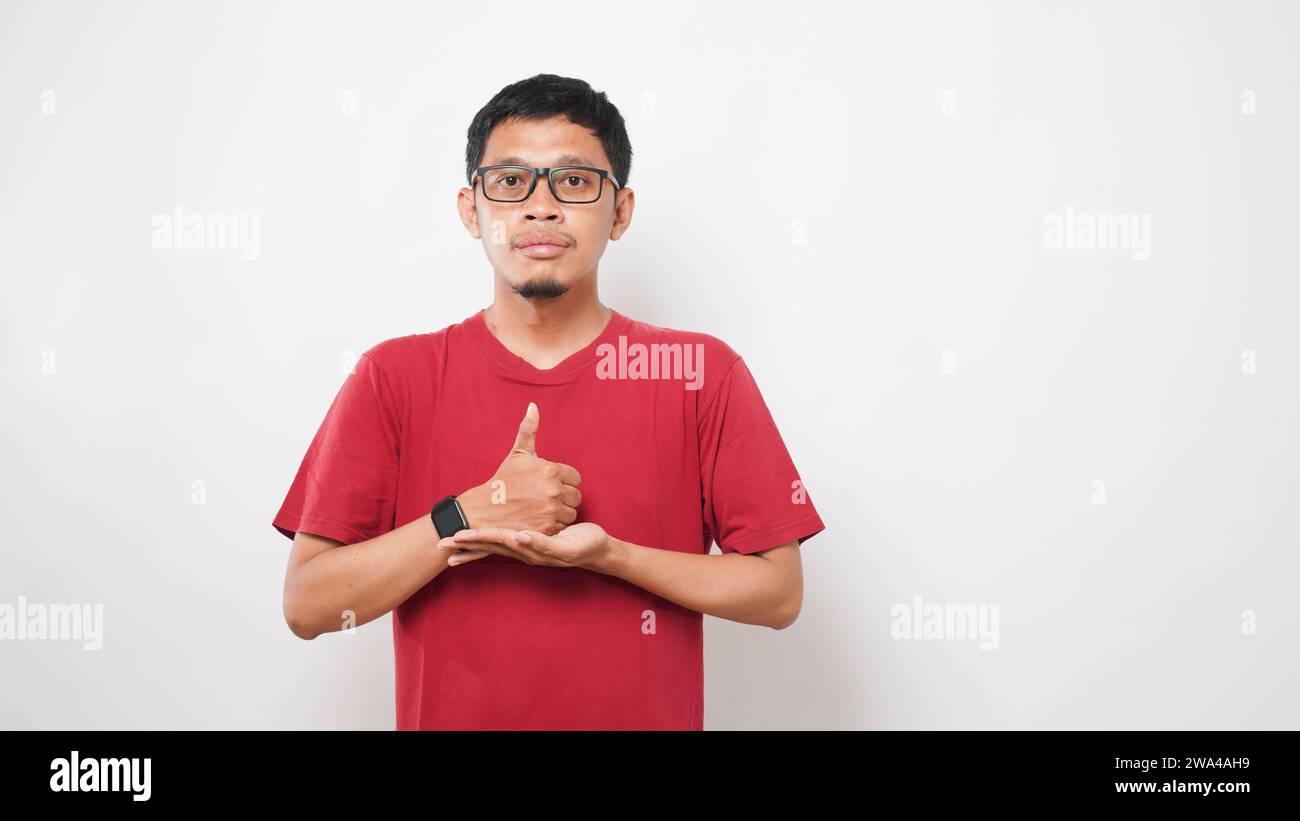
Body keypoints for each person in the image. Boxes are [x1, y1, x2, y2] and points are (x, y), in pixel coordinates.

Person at [273, 73, 825, 730]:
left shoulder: (700, 372)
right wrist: (467, 514)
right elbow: (308, 603)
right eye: (510, 182)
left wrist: (614, 555)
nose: (540, 207)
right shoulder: (392, 376)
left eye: (573, 181)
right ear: (470, 209)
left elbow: (778, 591)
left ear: (619, 211)